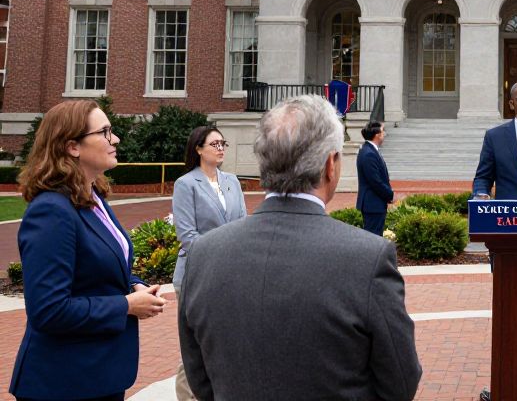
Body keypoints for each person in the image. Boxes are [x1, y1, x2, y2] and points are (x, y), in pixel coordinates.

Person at [178, 95, 421, 401]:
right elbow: (400, 382)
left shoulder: (203, 254)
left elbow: (200, 380)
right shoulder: (368, 258)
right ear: (330, 166)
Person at [9, 100, 166, 401]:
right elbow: (49, 310)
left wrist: (134, 284)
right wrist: (126, 305)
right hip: (63, 384)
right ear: (72, 147)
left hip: (97, 376)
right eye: (105, 132)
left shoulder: (92, 198)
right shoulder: (52, 211)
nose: (116, 139)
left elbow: (94, 266)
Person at [171, 125, 247, 400]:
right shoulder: (185, 184)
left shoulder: (232, 181)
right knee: (194, 348)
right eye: (214, 144)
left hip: (229, 276)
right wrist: (223, 255)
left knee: (222, 343)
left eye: (223, 143)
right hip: (196, 276)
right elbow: (188, 236)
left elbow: (243, 225)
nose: (221, 148)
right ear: (198, 149)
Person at [356, 120, 394, 235]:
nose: (384, 134)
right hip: (372, 204)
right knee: (373, 237)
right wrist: (390, 194)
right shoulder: (369, 153)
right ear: (377, 135)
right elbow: (375, 181)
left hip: (374, 204)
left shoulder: (370, 150)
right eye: (383, 132)